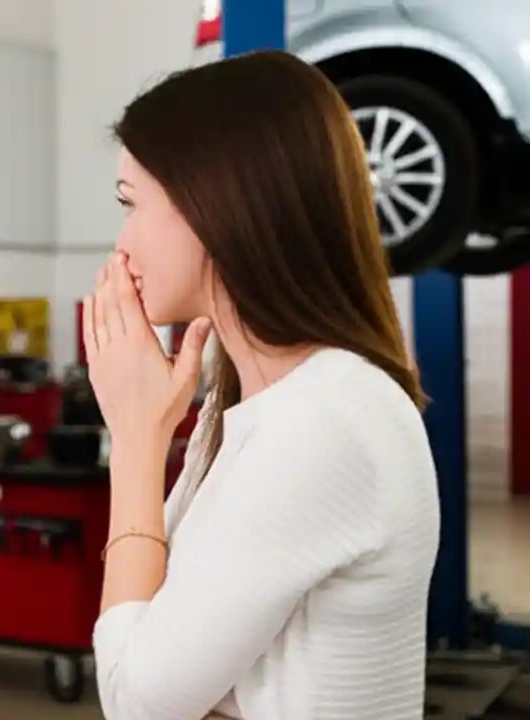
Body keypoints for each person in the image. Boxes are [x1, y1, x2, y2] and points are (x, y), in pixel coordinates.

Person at [82, 50, 441, 719]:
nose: (121, 245)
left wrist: (134, 443)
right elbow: (159, 631)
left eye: (131, 204)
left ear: (215, 207)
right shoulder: (252, 402)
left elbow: (137, 699)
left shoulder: (321, 424)